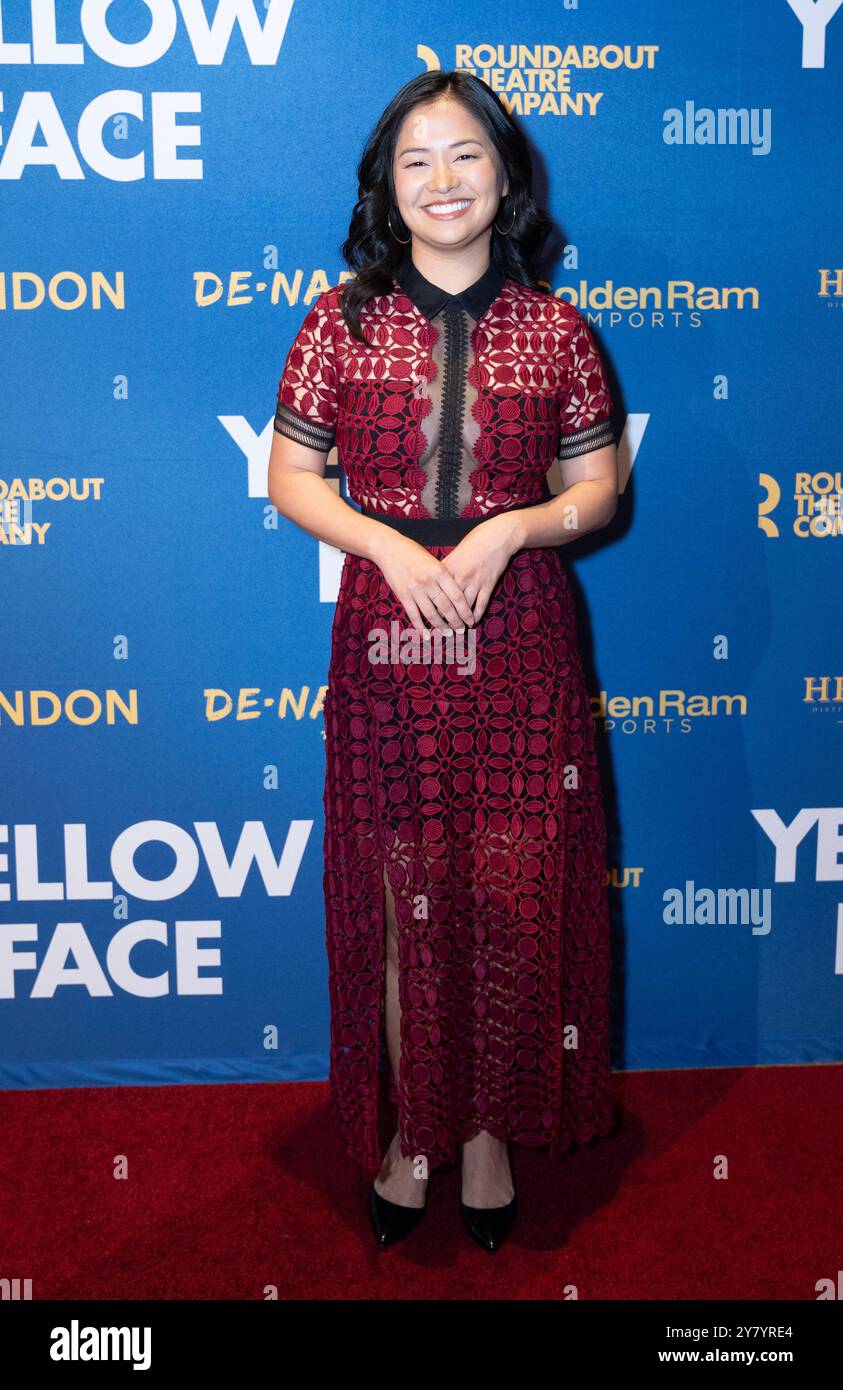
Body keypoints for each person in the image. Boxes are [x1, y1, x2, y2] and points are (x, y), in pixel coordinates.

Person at [267, 69, 618, 1254]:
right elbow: (291, 476)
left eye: (465, 155)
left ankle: (488, 1138)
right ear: (387, 188)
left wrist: (513, 528)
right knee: (401, 892)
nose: (443, 181)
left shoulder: (559, 330)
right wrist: (384, 546)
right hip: (387, 633)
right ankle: (417, 1131)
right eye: (416, 162)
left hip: (519, 635)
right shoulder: (340, 320)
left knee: (514, 895)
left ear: (505, 176)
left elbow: (598, 489)